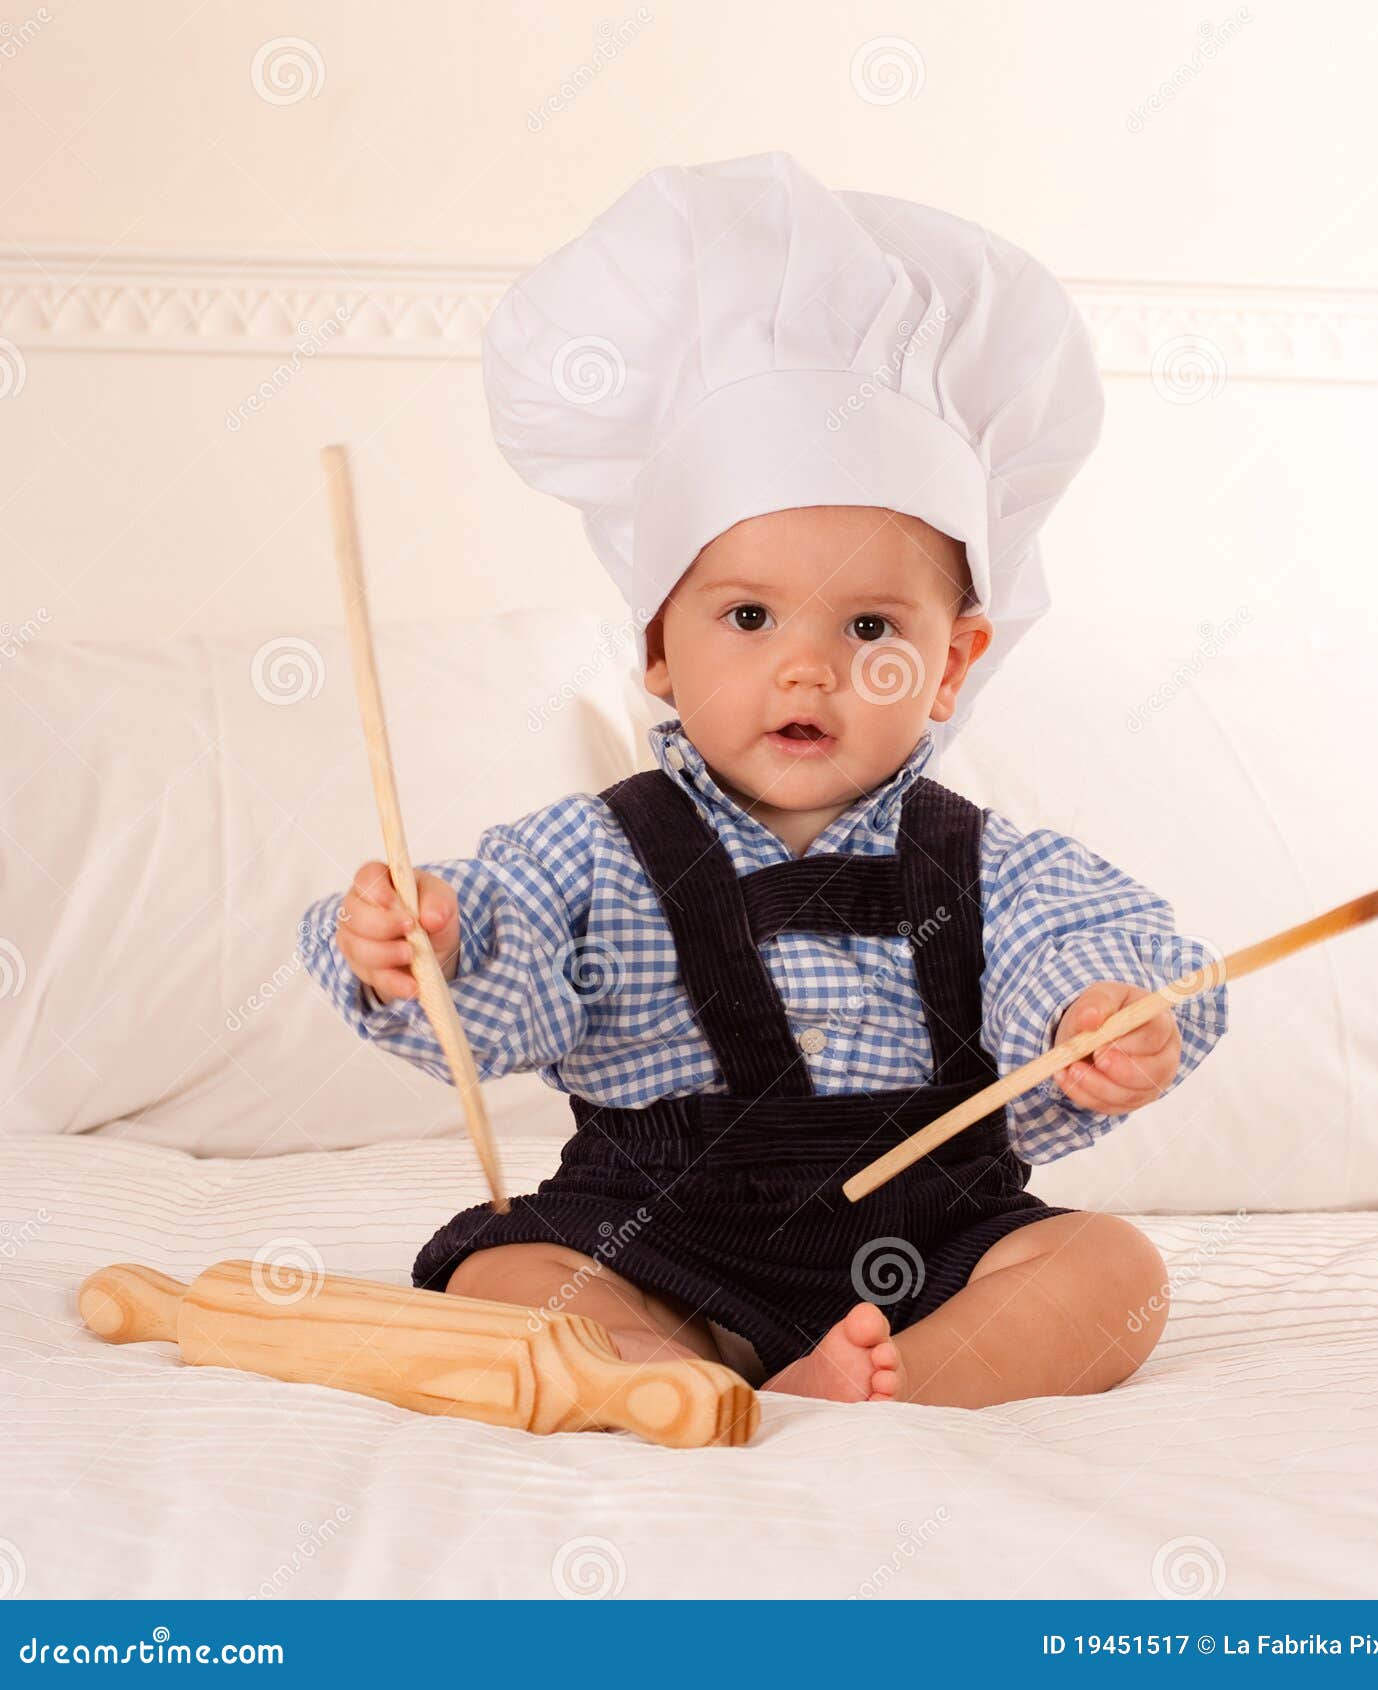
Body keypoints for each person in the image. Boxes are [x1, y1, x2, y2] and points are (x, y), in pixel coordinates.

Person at [300, 153, 1228, 1410]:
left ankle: (889, 1387)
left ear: (953, 663)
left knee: (1112, 1272)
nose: (805, 667)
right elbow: (501, 951)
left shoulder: (988, 865)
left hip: (932, 1251)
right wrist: (426, 944)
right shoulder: (593, 852)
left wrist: (1101, 1018)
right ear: (656, 647)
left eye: (868, 627)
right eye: (747, 616)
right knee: (506, 1272)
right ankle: (670, 1375)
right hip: (656, 1240)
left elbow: (1090, 940)